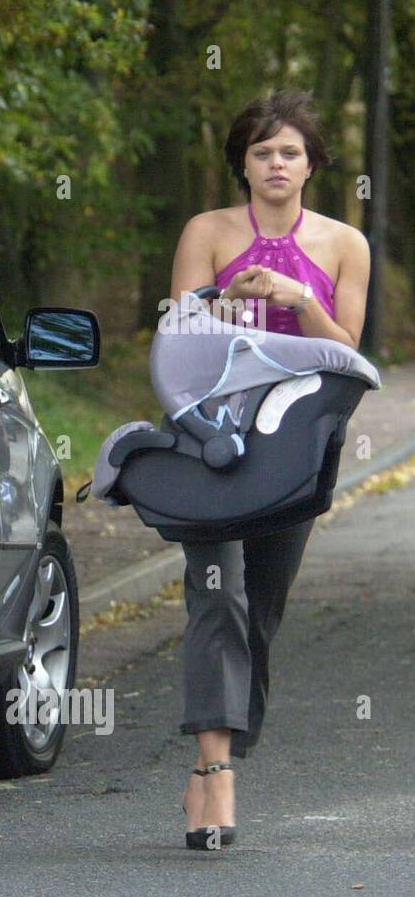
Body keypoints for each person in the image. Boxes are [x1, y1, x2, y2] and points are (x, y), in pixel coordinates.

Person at [165, 88, 370, 849]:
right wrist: (222, 304)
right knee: (217, 592)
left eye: (290, 152)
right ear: (242, 165)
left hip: (300, 441)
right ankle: (212, 773)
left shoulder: (347, 243)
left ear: (312, 163)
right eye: (262, 153)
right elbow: (179, 333)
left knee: (262, 603)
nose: (276, 164)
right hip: (213, 433)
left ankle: (226, 736)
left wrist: (292, 297)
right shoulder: (207, 231)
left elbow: (348, 352)